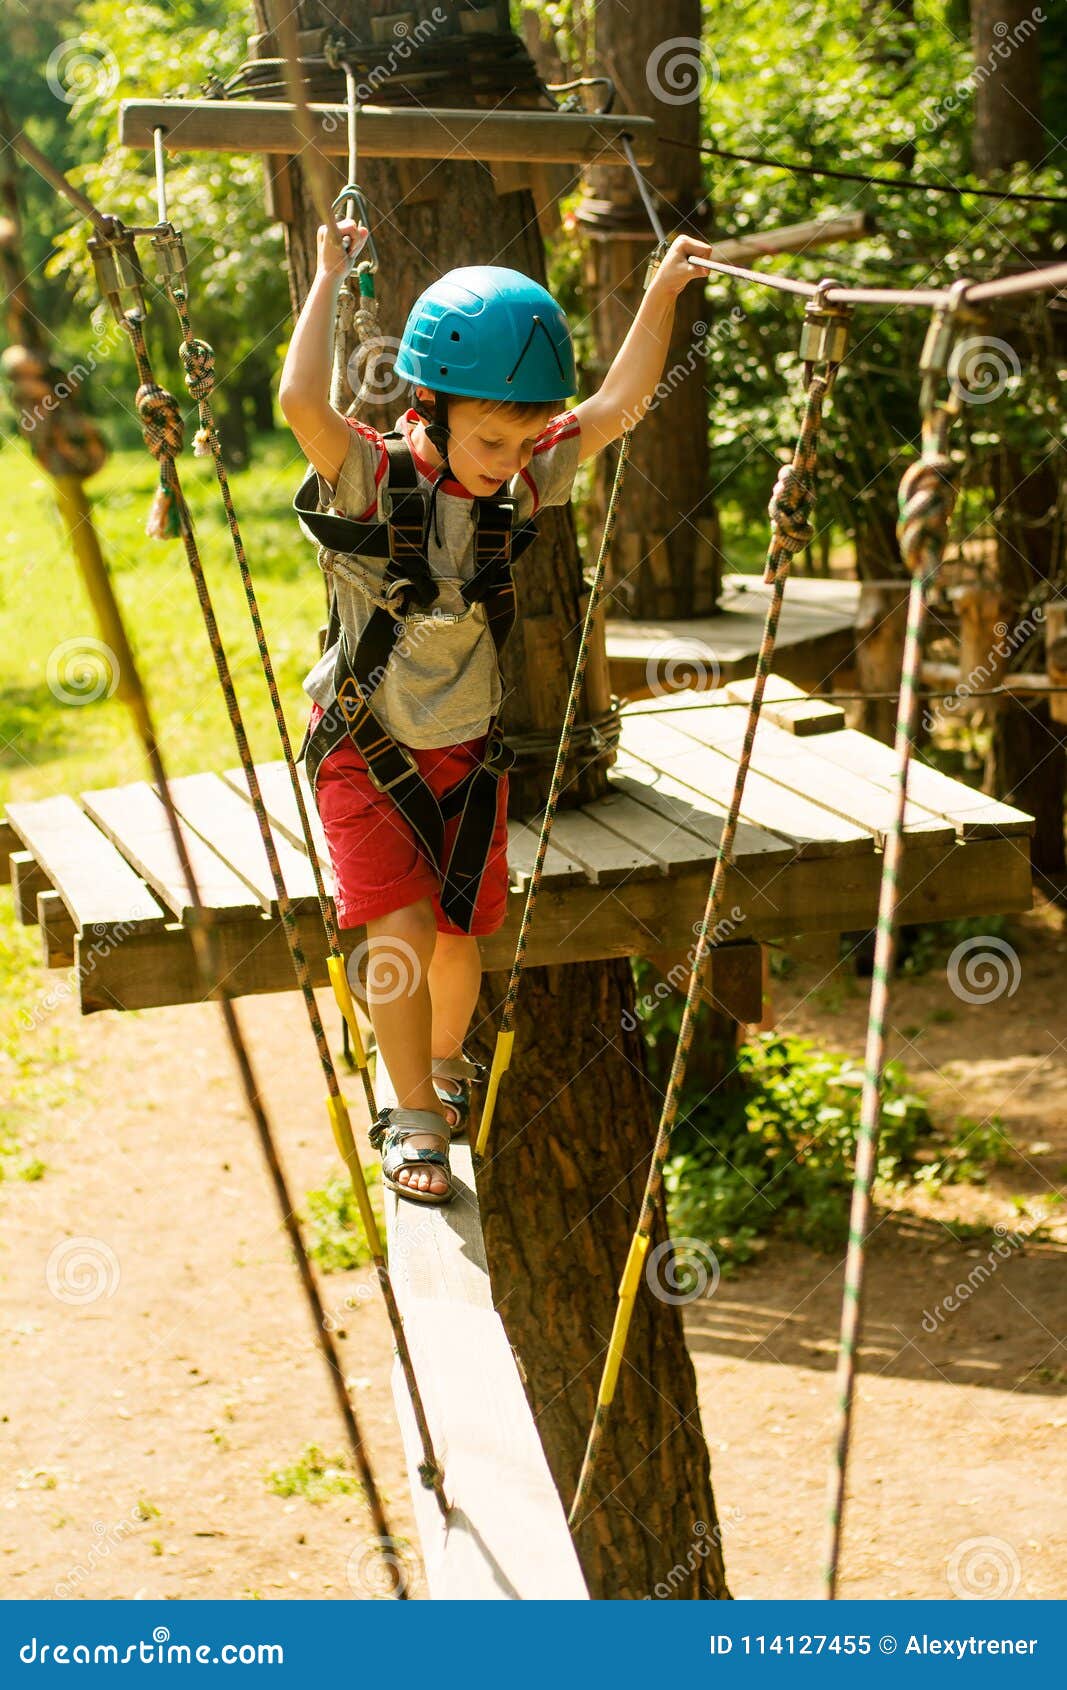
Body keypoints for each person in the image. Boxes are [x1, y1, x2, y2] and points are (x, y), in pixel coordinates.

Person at [280, 218, 712, 1205]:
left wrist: (659, 291)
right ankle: (413, 1119)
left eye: (524, 438)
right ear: (425, 405)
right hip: (366, 742)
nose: (509, 458)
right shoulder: (367, 472)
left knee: (457, 941)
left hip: (466, 756)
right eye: (489, 438)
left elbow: (615, 408)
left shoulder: (518, 473)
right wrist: (327, 274)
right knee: (393, 929)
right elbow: (300, 397)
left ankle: (435, 1070)